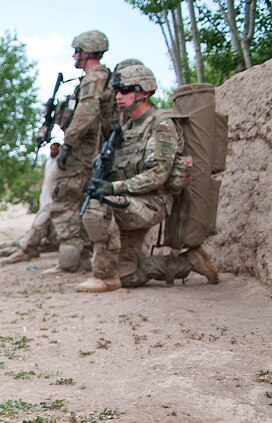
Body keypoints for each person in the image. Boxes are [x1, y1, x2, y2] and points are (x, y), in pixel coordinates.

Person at [77, 63, 218, 292]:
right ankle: (187, 262)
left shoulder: (161, 124)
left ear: (143, 91)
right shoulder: (128, 128)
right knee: (130, 275)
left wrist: (113, 188)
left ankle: (105, 277)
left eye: (125, 90)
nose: (119, 97)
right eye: (117, 92)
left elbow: (157, 175)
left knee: (97, 209)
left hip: (153, 201)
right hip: (132, 200)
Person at [4, 31, 116, 273]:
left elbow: (86, 115)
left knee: (64, 200)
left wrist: (69, 143)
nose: (74, 55)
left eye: (77, 51)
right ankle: (82, 256)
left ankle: (70, 259)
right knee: (78, 202)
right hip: (90, 151)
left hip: (84, 152)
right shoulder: (98, 79)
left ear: (87, 52)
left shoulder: (93, 79)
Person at [0, 142, 62, 260]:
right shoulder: (49, 163)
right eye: (51, 149)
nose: (52, 151)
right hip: (45, 210)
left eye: (55, 149)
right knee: (20, 242)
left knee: (23, 245)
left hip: (46, 237)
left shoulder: (61, 164)